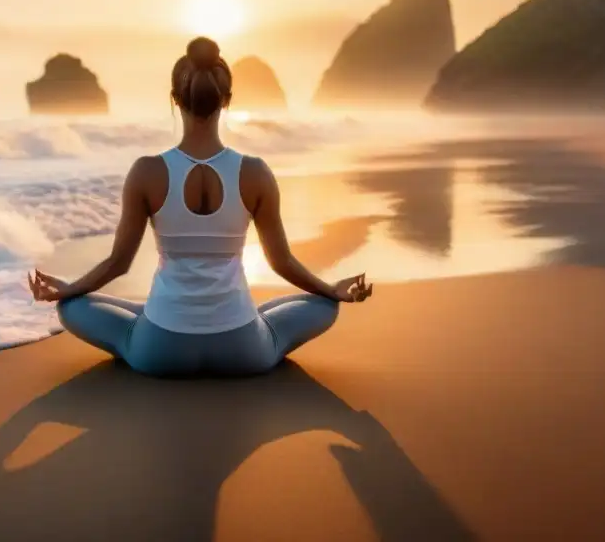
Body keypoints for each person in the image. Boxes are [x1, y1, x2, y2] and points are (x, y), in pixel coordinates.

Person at [28, 36, 373, 377]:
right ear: (227, 100)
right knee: (324, 305)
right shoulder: (254, 172)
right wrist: (332, 290)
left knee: (72, 307)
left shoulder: (147, 172)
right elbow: (281, 262)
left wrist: (69, 288)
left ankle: (150, 322)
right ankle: (247, 320)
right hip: (243, 350)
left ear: (175, 99)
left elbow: (119, 264)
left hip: (159, 351)